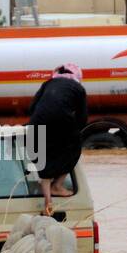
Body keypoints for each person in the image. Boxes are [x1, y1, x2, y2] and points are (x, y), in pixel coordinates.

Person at [27, 63, 88, 215]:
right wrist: (75, 132)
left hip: (37, 122)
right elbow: (82, 117)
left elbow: (32, 107)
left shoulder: (47, 83)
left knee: (44, 159)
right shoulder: (78, 89)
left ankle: (48, 200)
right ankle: (58, 185)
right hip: (61, 122)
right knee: (73, 148)